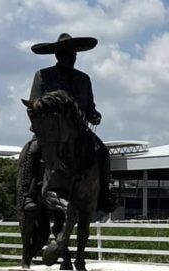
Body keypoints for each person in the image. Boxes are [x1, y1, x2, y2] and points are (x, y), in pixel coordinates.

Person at [25, 32, 112, 212]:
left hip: (79, 133)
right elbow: (33, 105)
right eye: (67, 55)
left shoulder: (83, 79)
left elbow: (89, 107)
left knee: (103, 152)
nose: (71, 58)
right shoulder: (43, 76)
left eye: (73, 55)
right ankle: (29, 193)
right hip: (50, 132)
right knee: (33, 151)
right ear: (58, 56)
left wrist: (94, 115)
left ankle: (104, 194)